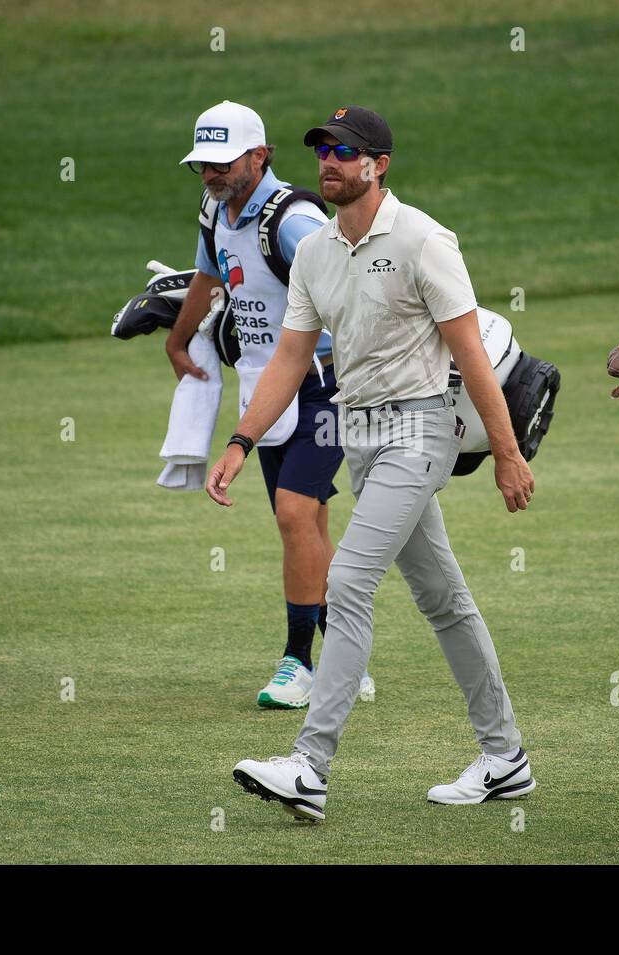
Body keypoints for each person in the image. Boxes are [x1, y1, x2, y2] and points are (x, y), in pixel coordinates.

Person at [211, 106, 536, 821]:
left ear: (378, 164)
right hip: (358, 437)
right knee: (444, 600)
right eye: (321, 150)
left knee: (350, 581)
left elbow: (470, 351)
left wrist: (508, 451)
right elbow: (291, 358)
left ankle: (309, 765)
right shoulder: (317, 253)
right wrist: (240, 440)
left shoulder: (423, 239)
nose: (328, 161)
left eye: (344, 151)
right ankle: (505, 757)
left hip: (419, 435)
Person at [167, 101, 375, 709]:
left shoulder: (293, 220)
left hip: (329, 385)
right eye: (201, 164)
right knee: (306, 525)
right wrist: (179, 339)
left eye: (221, 162)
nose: (209, 174)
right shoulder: (215, 211)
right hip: (267, 386)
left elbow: (356, 287)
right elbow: (208, 275)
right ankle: (347, 658)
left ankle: (298, 662)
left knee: (292, 512)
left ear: (259, 156)